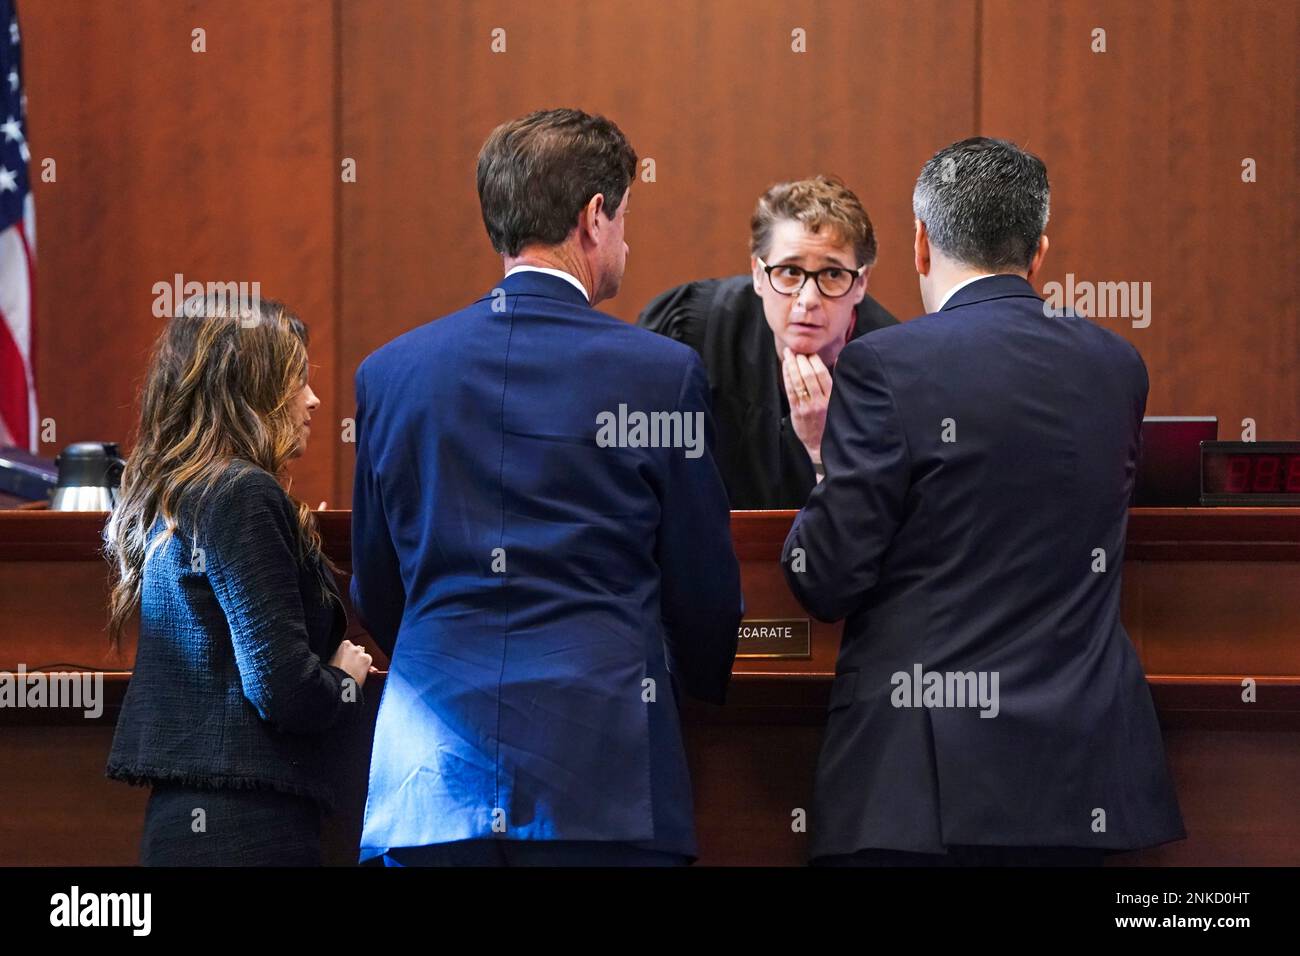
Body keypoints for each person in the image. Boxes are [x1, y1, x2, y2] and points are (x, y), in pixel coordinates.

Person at [350, 108, 743, 867]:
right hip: (603, 776)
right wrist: (702, 687)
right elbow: (702, 582)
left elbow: (376, 583)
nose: (626, 237)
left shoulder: (391, 374)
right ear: (594, 217)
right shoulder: (659, 375)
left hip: (430, 784)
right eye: (625, 215)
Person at [782, 137, 1185, 866]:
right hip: (1078, 778)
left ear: (920, 242)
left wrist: (820, 461)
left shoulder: (886, 363)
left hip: (919, 789)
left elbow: (828, 577)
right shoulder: (1117, 368)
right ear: (1038, 252)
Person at [103, 293, 373, 866]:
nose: (314, 399)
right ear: (250, 389)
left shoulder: (181, 492)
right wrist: (344, 678)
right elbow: (284, 689)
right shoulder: (242, 493)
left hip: (199, 823)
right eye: (296, 379)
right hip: (245, 830)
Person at [638, 176, 897, 508]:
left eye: (832, 275)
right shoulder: (697, 329)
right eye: (789, 271)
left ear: (861, 284)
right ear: (758, 275)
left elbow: (873, 536)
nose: (807, 299)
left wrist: (823, 447)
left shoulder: (891, 371)